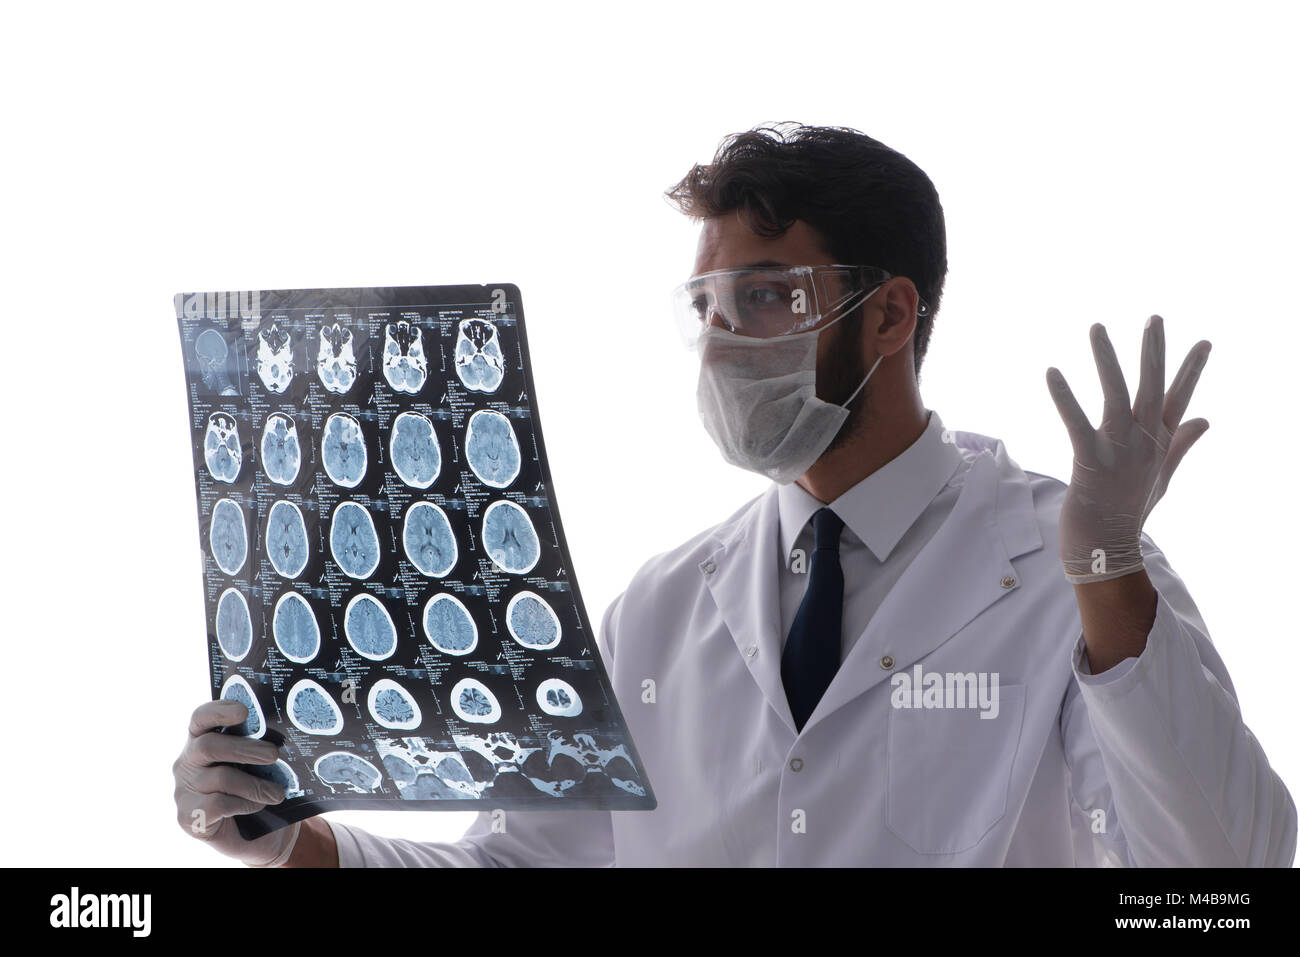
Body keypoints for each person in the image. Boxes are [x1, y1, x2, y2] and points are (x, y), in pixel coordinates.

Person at [173, 122, 1297, 866]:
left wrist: (1106, 563)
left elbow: (1221, 867)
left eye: (766, 297)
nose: (720, 343)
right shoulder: (660, 607)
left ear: (890, 316)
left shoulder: (1066, 579)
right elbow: (515, 868)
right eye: (705, 304)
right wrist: (287, 840)